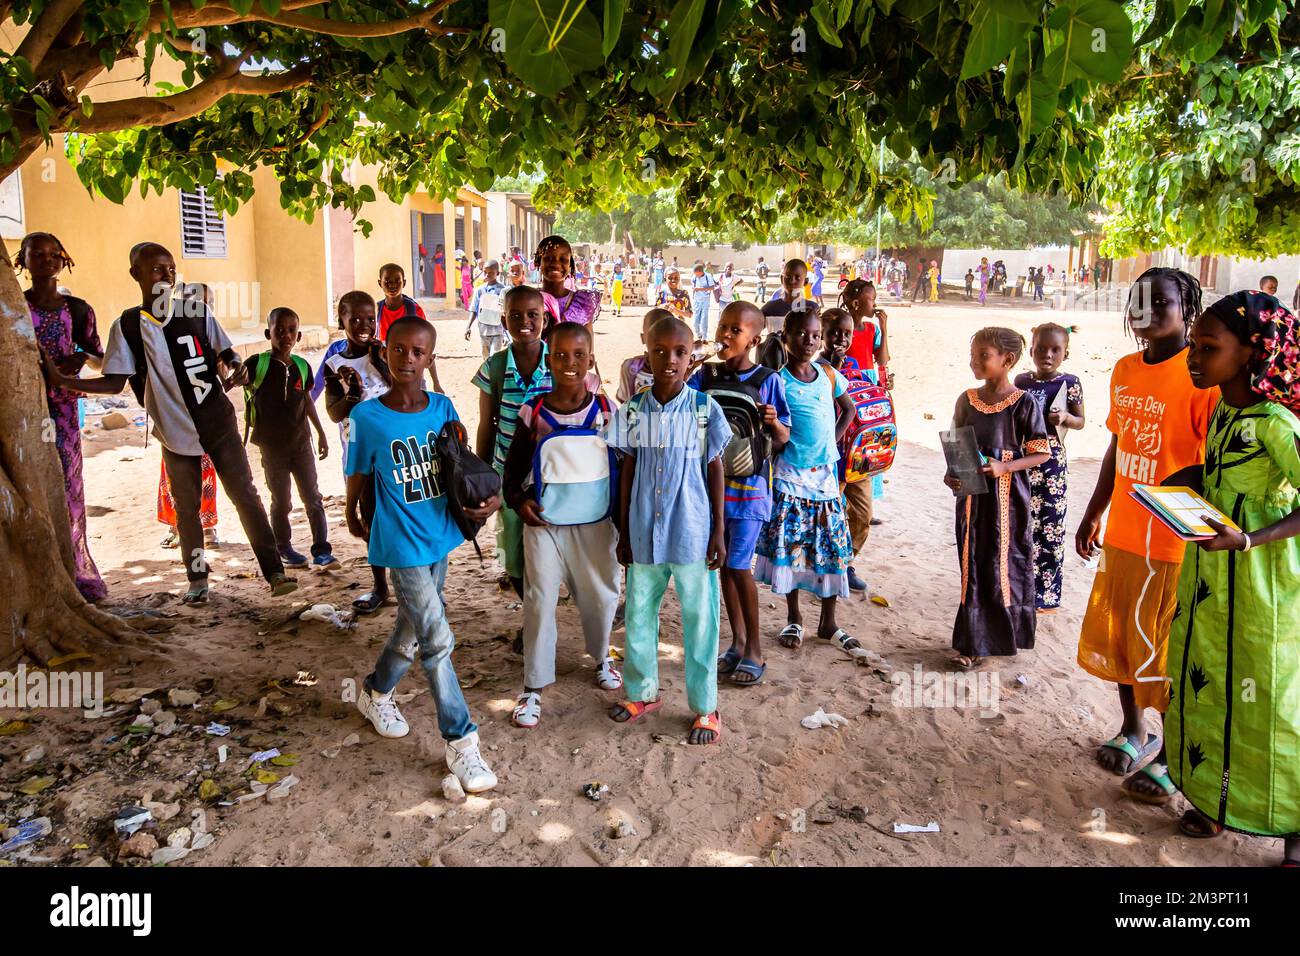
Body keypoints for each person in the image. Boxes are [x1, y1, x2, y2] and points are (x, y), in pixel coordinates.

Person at [42, 242, 295, 602]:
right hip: (173, 430)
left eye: (171, 269)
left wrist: (234, 367)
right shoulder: (128, 326)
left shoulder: (197, 312)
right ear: (137, 274)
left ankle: (275, 572)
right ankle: (197, 579)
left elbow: (226, 354)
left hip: (217, 420)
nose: (167, 276)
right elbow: (115, 380)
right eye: (158, 269)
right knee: (186, 508)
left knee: (245, 495)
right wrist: (64, 381)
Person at [1159, 290, 1300, 862]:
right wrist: (1183, 481)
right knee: (1210, 681)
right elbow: (1220, 471)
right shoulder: (1222, 408)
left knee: (1270, 697)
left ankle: (1293, 825)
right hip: (1212, 580)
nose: (1193, 356)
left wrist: (1250, 538)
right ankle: (1217, 799)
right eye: (1193, 344)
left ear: (1252, 352)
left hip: (1264, 583)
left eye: (1208, 347)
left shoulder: (1277, 423)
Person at [1075, 268, 1218, 796]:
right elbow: (1117, 446)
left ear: (1189, 308)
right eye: (1140, 300)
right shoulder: (1124, 369)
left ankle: (1173, 751)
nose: (1149, 310)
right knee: (1125, 638)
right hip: (1126, 531)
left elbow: (1211, 462)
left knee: (1170, 648)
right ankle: (1134, 730)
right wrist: (1095, 511)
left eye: (1163, 301)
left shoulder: (1202, 374)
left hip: (1178, 540)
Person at [345, 315, 499, 793]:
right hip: (400, 543)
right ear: (384, 352)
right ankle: (461, 741)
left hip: (440, 534)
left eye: (418, 351)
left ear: (430, 357)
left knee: (412, 625)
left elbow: (462, 464)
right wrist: (352, 509)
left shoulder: (443, 407)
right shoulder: (366, 417)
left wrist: (486, 499)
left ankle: (376, 691)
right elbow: (358, 473)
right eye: (398, 349)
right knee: (436, 637)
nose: (407, 359)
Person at [604, 316, 731, 744]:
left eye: (680, 352)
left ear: (691, 355)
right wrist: (623, 528)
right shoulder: (635, 409)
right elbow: (628, 468)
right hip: (643, 528)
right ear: (646, 350)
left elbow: (715, 469)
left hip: (693, 529)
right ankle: (642, 693)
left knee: (701, 618)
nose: (670, 360)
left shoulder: (702, 409)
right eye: (660, 351)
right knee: (639, 612)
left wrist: (718, 530)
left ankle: (705, 707)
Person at [502, 322, 624, 727]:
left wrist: (625, 523)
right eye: (560, 355)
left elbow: (630, 465)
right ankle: (533, 685)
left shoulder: (609, 410)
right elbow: (513, 468)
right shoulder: (532, 411)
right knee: (539, 599)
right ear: (547, 359)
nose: (569, 363)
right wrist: (519, 503)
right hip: (546, 523)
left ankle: (602, 655)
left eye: (579, 355)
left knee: (602, 594)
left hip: (597, 521)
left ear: (590, 359)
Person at [690, 302, 790, 686]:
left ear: (755, 338)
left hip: (749, 490)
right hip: (710, 490)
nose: (727, 336)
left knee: (738, 567)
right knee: (722, 568)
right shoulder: (707, 374)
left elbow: (784, 438)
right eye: (723, 327)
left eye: (737, 330)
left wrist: (774, 423)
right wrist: (693, 365)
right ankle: (737, 643)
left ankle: (756, 651)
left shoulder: (767, 379)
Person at [943, 328, 1051, 668]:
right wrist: (953, 474)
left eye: (983, 355)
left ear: (1008, 360)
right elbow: (958, 447)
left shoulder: (1023, 403)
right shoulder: (966, 400)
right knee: (972, 562)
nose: (974, 361)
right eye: (973, 354)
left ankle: (1002, 636)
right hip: (972, 499)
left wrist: (1005, 467)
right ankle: (971, 643)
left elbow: (1040, 453)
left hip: (1007, 501)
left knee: (1001, 563)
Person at [757, 308, 859, 656]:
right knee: (794, 547)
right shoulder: (778, 382)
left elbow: (849, 410)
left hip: (825, 479)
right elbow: (775, 435)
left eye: (816, 335)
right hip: (790, 476)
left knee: (830, 547)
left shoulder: (829, 374)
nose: (810, 341)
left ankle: (828, 622)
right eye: (801, 334)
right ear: (785, 338)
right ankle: (794, 617)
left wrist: (831, 440)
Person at [19, 231, 107, 602]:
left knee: (68, 491)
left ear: (64, 259)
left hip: (64, 412)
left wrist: (81, 359)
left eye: (55, 253)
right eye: (37, 254)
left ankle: (75, 574)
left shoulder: (78, 310)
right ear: (22, 262)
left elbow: (103, 360)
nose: (47, 260)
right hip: (23, 411)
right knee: (29, 490)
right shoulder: (15, 307)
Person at [473, 285, 559, 600]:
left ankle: (542, 612)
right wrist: (483, 477)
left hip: (551, 476)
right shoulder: (494, 367)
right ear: (504, 319)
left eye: (533, 315)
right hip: (507, 476)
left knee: (546, 546)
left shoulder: (559, 363)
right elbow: (487, 424)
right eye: (516, 315)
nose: (525, 321)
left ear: (545, 320)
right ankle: (531, 611)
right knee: (514, 552)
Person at [239, 307, 337, 571]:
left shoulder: (303, 367)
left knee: (313, 498)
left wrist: (320, 433)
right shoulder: (256, 364)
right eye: (279, 330)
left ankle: (322, 550)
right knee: (281, 500)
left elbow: (307, 401)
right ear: (267, 333)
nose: (286, 335)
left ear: (299, 335)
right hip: (272, 448)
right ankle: (283, 547)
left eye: (291, 330)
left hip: (301, 444)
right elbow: (236, 381)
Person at [322, 291, 393, 614]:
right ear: (342, 321)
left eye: (369, 319)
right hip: (361, 454)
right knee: (370, 516)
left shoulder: (386, 353)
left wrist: (380, 362)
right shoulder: (334, 365)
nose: (364, 325)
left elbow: (404, 388)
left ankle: (418, 579)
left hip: (394, 448)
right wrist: (354, 394)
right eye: (355, 320)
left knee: (401, 513)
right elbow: (336, 413)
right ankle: (380, 585)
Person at [1013, 323, 1084, 612]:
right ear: (1031, 350)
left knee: (1051, 528)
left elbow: (1081, 421)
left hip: (1053, 467)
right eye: (1041, 349)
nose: (1047, 354)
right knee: (1022, 525)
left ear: (1065, 354)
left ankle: (1048, 594)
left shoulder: (1070, 382)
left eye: (1055, 350)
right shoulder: (1021, 381)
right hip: (1023, 461)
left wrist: (1065, 417)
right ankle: (1021, 586)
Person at [160, 282, 223, 552]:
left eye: (205, 303)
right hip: (175, 415)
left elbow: (221, 372)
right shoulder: (166, 334)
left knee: (205, 472)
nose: (199, 307)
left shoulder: (211, 334)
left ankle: (207, 526)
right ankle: (177, 526)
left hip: (204, 416)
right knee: (173, 473)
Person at [535, 235, 601, 335]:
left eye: (563, 259)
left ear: (570, 264)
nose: (556, 263)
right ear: (539, 261)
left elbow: (588, 347)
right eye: (549, 258)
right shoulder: (529, 299)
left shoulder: (581, 303)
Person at [617, 308, 672, 402]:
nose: (660, 339)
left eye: (666, 334)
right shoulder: (630, 368)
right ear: (643, 338)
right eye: (653, 334)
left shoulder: (680, 368)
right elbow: (624, 403)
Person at [464, 259, 506, 358]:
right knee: (486, 357)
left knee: (495, 356)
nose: (487, 275)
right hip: (484, 330)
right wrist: (468, 327)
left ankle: (493, 373)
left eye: (491, 273)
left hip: (498, 330)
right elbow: (474, 309)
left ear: (498, 273)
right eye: (485, 272)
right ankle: (488, 373)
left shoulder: (503, 290)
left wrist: (506, 332)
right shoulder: (480, 290)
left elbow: (506, 311)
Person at [690, 263, 718, 340]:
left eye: (696, 273)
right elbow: (692, 284)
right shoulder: (694, 277)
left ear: (700, 272)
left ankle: (704, 337)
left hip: (706, 300)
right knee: (695, 322)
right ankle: (699, 334)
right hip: (696, 300)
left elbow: (712, 287)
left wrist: (700, 289)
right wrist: (694, 288)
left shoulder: (708, 276)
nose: (695, 275)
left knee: (704, 319)